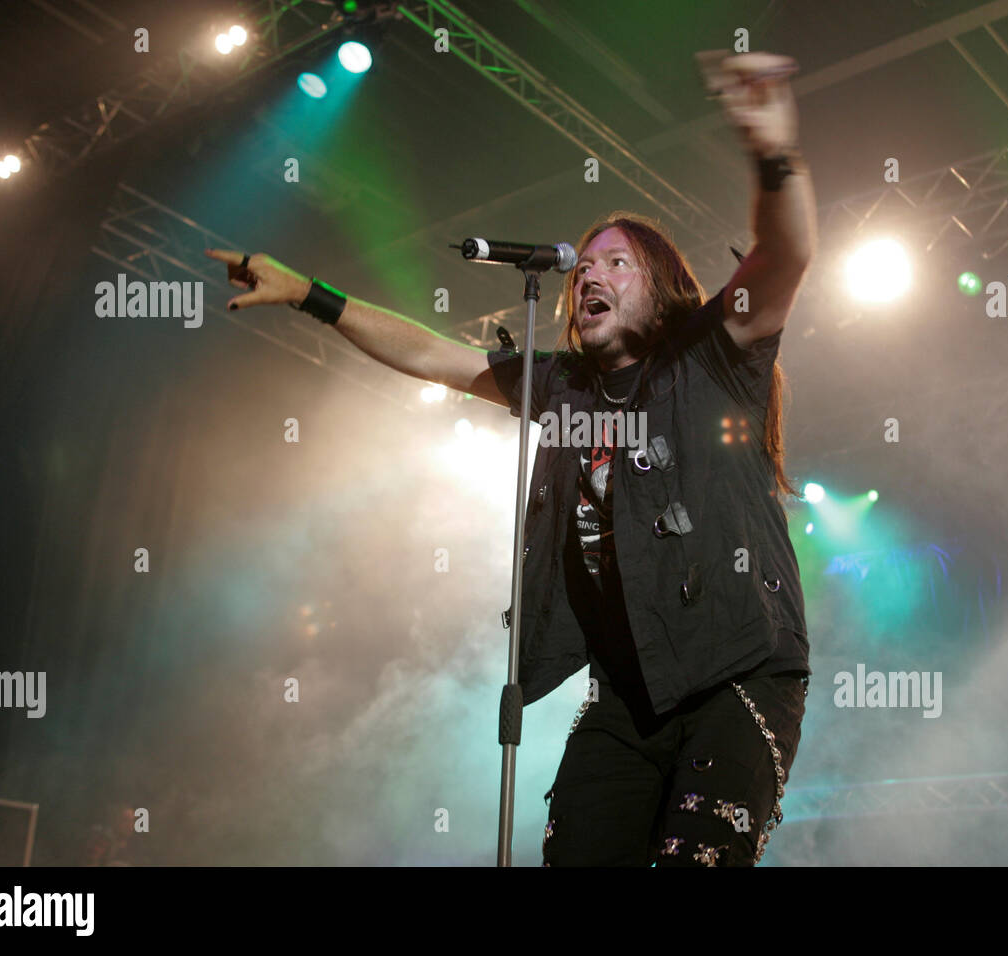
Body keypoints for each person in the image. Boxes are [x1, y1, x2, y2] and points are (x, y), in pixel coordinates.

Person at [204, 51, 817, 865]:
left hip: (740, 673)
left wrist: (773, 149)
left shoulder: (710, 355)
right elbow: (432, 355)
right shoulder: (561, 386)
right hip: (629, 694)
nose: (587, 276)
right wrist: (311, 295)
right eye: (583, 266)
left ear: (661, 284)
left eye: (613, 262)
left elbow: (786, 255)